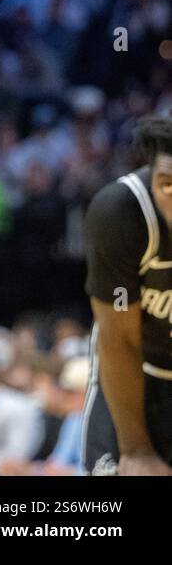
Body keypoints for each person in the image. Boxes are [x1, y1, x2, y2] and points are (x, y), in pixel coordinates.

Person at [83, 115, 172, 474]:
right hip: (135, 375)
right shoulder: (121, 212)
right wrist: (136, 450)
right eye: (167, 184)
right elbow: (119, 338)